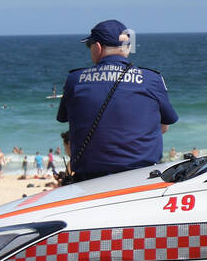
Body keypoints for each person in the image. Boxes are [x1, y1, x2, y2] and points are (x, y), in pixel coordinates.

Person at [57, 19, 178, 181]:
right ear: (127, 48)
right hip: (143, 177)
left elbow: (64, 118)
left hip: (89, 179)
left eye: (89, 46)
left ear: (97, 47)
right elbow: (165, 126)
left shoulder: (75, 79)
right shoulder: (152, 79)